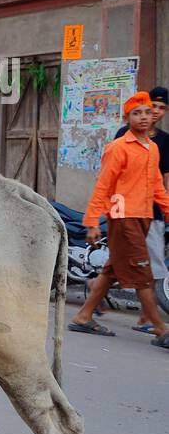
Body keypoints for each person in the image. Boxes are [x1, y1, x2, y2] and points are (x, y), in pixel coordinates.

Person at [68, 92, 169, 349]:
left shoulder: (153, 148)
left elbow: (157, 187)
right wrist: (92, 222)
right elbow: (103, 186)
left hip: (143, 218)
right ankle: (160, 327)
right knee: (143, 273)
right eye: (137, 113)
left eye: (148, 112)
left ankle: (83, 316)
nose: (144, 117)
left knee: (112, 270)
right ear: (127, 118)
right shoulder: (118, 148)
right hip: (123, 218)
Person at [112, 86, 169, 330]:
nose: (154, 113)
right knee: (135, 264)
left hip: (151, 213)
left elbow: (163, 179)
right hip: (125, 211)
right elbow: (110, 177)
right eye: (150, 108)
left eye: (160, 108)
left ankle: (88, 309)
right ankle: (155, 322)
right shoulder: (123, 136)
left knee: (143, 263)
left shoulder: (163, 142)